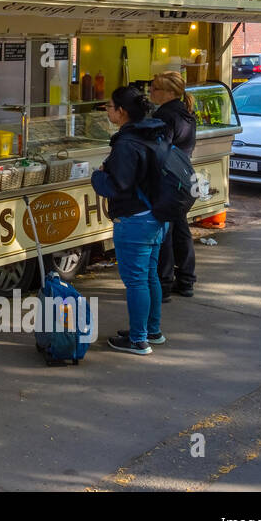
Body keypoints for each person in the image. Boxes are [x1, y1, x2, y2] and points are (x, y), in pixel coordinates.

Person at [91, 86, 169, 355]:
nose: (107, 111)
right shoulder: (153, 133)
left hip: (135, 219)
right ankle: (151, 330)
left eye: (109, 107)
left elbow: (117, 185)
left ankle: (138, 340)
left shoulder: (126, 143)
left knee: (136, 281)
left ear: (122, 111)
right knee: (149, 276)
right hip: (157, 215)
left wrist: (98, 176)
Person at [150, 70, 198, 300]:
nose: (150, 91)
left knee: (165, 232)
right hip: (184, 179)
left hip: (167, 180)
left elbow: (160, 149)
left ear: (169, 93)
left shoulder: (165, 116)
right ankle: (186, 280)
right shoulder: (186, 112)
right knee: (180, 228)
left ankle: (164, 284)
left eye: (155, 88)